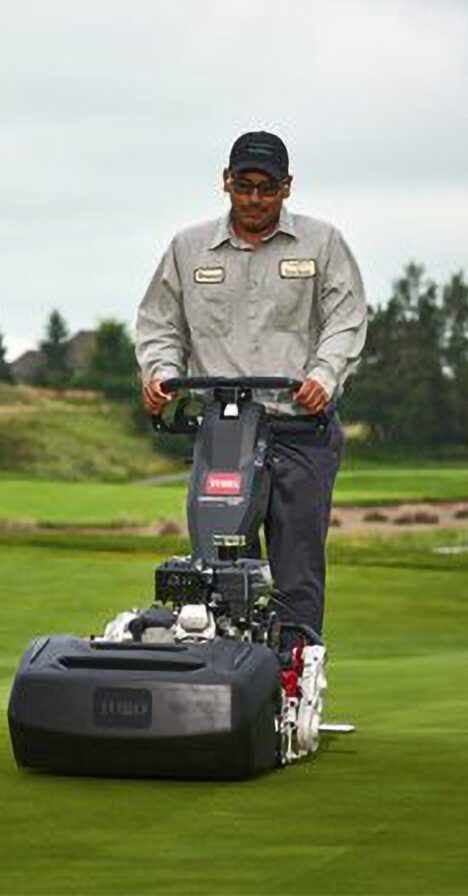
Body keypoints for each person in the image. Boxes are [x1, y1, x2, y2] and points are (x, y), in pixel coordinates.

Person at [135, 131, 368, 635]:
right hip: (221, 432)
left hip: (297, 428)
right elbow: (160, 324)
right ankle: (223, 684)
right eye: (245, 186)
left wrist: (323, 377)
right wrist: (161, 376)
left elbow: (346, 319)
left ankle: (294, 683)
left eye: (268, 187)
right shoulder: (189, 248)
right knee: (219, 566)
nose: (255, 199)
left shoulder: (321, 243)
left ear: (287, 188)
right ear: (226, 182)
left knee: (296, 570)